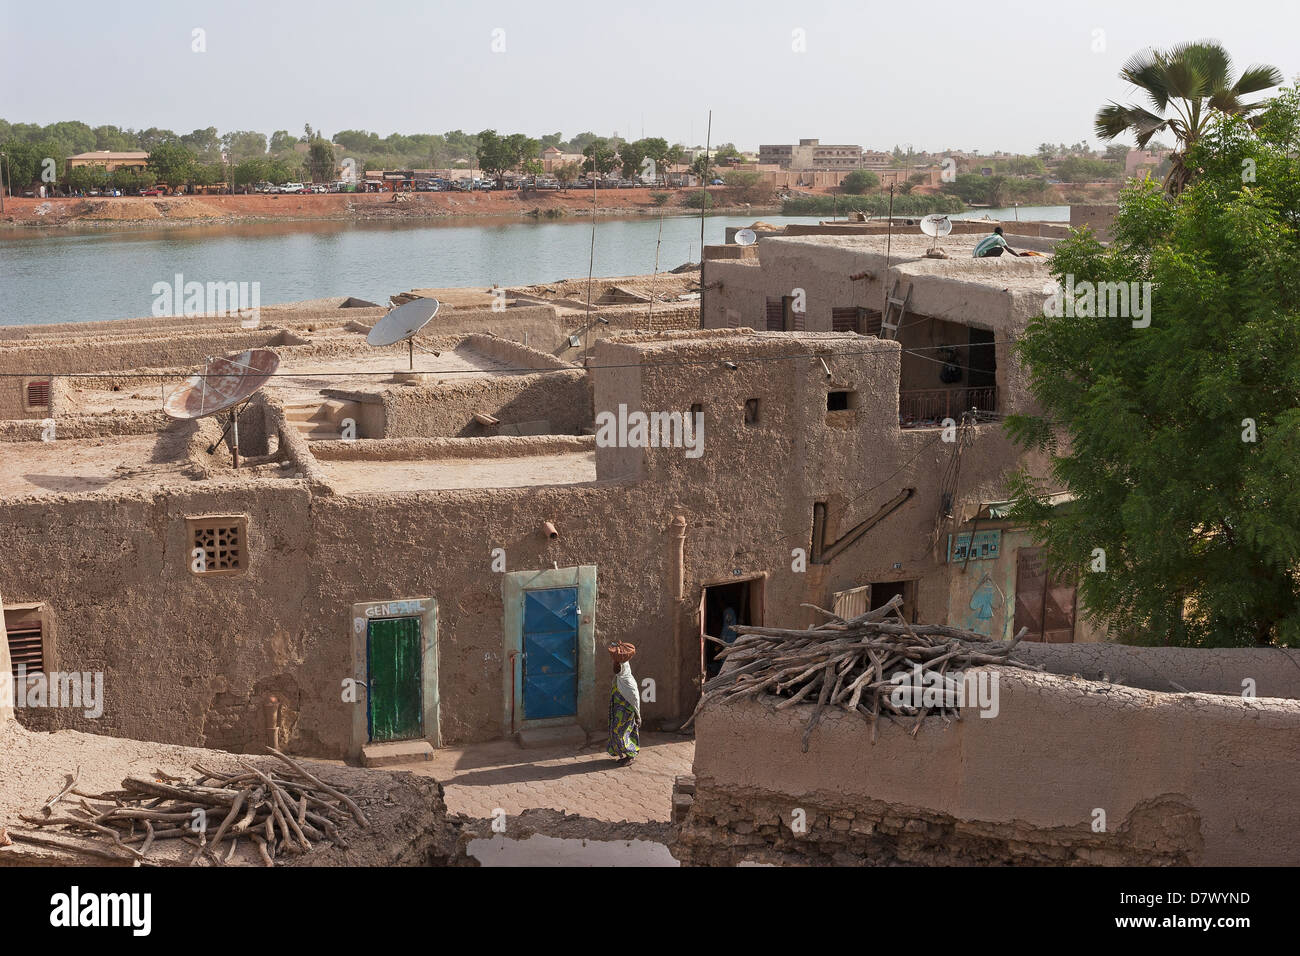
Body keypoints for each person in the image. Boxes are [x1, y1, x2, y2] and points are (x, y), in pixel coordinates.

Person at [606, 641, 641, 766]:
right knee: (617, 731)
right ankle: (626, 754)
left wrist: (638, 714)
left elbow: (634, 699)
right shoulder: (619, 679)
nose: (616, 669)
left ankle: (631, 755)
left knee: (622, 732)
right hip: (618, 711)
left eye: (618, 667)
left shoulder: (628, 682)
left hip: (626, 712)